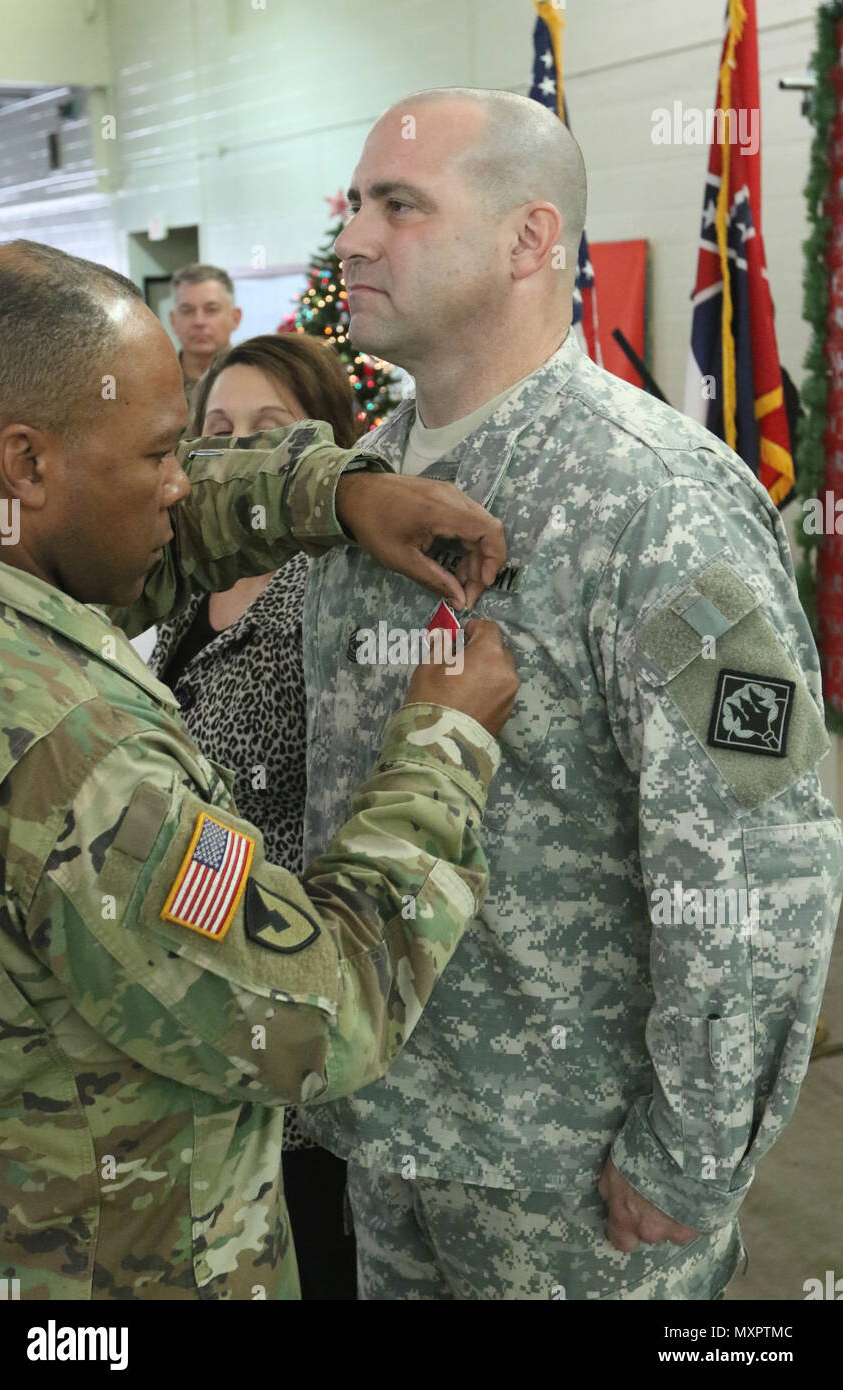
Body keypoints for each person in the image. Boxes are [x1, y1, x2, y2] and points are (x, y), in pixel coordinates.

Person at [300, 87, 843, 1300]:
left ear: (529, 241)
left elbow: (766, 851)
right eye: (354, 206)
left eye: (398, 205)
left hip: (571, 1181)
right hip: (389, 1134)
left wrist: (693, 1150)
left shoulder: (658, 504)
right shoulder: (365, 484)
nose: (352, 240)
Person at [0, 238, 519, 1300]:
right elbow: (321, 1013)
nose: (181, 486)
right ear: (27, 464)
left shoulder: (10, 570)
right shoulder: (72, 759)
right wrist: (445, 741)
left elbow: (133, 542)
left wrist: (329, 493)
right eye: (157, 455)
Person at [150, 333, 361, 1299]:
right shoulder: (178, 576)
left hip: (299, 991)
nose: (235, 454)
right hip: (200, 999)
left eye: (268, 432)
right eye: (216, 431)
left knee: (318, 1249)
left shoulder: (334, 589)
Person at [169, 262, 242, 418]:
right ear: (173, 321)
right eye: (187, 311)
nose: (199, 321)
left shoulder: (258, 380)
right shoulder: (155, 386)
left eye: (211, 310)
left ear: (235, 318)